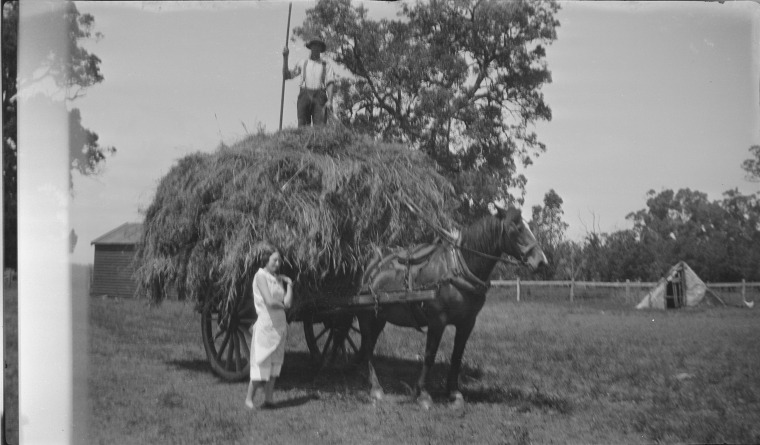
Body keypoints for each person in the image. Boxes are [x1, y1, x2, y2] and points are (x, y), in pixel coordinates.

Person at [244, 244, 293, 409]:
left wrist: (290, 285)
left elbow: (288, 301)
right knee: (262, 365)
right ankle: (249, 399)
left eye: (279, 261)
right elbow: (270, 302)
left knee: (274, 367)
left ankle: (269, 399)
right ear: (266, 259)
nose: (277, 264)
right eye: (274, 260)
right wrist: (284, 305)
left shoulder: (275, 278)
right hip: (266, 325)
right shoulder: (260, 277)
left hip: (279, 326)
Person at [282, 37, 336, 127]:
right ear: (310, 48)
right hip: (304, 96)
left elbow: (330, 83)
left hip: (320, 97)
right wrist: (285, 57)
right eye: (314, 46)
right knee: (302, 126)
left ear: (321, 49)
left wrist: (330, 100)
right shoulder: (302, 63)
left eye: (318, 46)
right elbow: (286, 75)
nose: (316, 48)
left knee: (320, 127)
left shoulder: (326, 65)